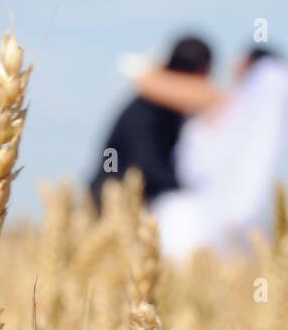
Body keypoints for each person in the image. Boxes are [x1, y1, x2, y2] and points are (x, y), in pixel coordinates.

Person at [137, 45, 288, 258]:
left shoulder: (220, 101)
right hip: (208, 213)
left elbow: (146, 81)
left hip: (187, 213)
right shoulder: (247, 117)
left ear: (247, 64)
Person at [89, 36, 213, 208]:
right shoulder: (148, 112)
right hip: (110, 205)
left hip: (127, 206)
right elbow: (148, 167)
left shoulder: (164, 110)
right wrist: (195, 193)